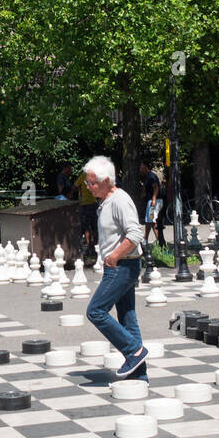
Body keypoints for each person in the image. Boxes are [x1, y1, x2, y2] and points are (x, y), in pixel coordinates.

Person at [83, 155, 147, 379]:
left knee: (95, 311)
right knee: (127, 317)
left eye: (92, 183)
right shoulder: (106, 201)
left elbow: (135, 233)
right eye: (87, 183)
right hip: (123, 265)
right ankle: (139, 377)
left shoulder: (119, 199)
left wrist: (114, 256)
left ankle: (134, 350)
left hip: (122, 266)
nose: (89, 187)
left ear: (107, 180)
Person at [74, 166, 99, 257]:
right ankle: (96, 247)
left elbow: (75, 186)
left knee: (86, 227)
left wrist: (80, 190)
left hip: (84, 204)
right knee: (95, 226)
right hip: (94, 202)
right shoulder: (95, 176)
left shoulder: (83, 176)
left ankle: (89, 248)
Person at [139, 160, 164, 248]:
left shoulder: (151, 176)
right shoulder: (147, 177)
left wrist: (153, 199)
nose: (140, 170)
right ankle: (148, 239)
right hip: (151, 201)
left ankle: (155, 240)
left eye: (141, 168)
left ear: (145, 167)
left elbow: (156, 187)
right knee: (150, 221)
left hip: (154, 202)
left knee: (151, 221)